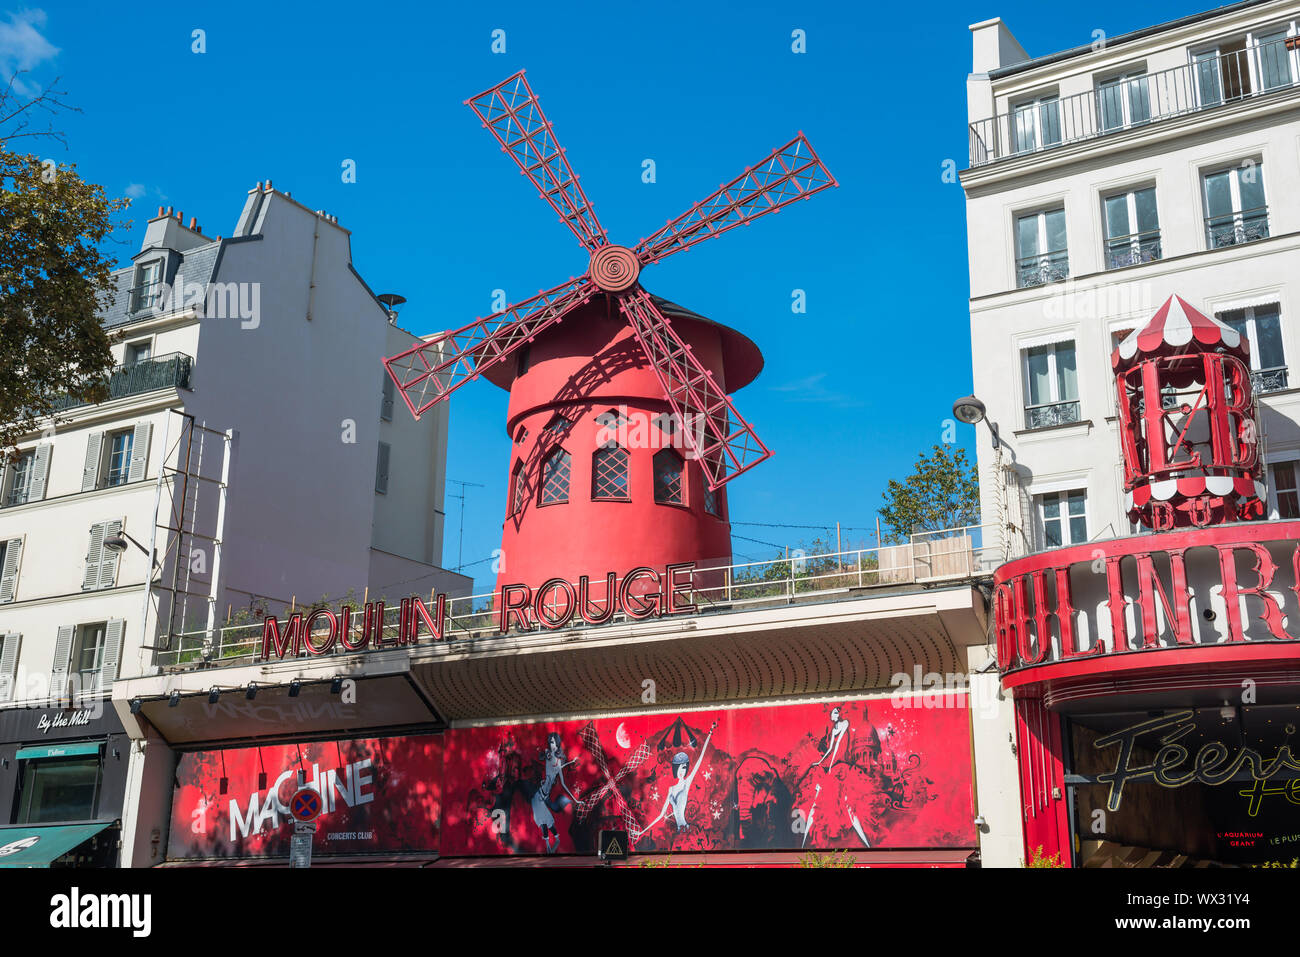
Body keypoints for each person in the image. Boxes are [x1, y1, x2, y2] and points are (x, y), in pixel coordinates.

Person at [639, 721, 716, 837]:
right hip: (679, 832)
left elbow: (700, 760)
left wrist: (710, 732)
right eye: (679, 768)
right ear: (675, 769)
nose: (682, 771)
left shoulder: (686, 783)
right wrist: (642, 832)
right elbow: (661, 815)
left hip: (686, 829)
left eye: (684, 768)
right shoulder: (671, 789)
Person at [529, 732, 578, 853]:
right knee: (544, 821)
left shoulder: (558, 762)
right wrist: (545, 753)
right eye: (550, 742)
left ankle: (554, 841)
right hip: (539, 796)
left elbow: (564, 783)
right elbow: (545, 756)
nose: (551, 745)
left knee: (547, 820)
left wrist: (576, 799)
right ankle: (548, 847)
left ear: (557, 743)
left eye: (553, 742)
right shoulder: (549, 755)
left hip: (543, 796)